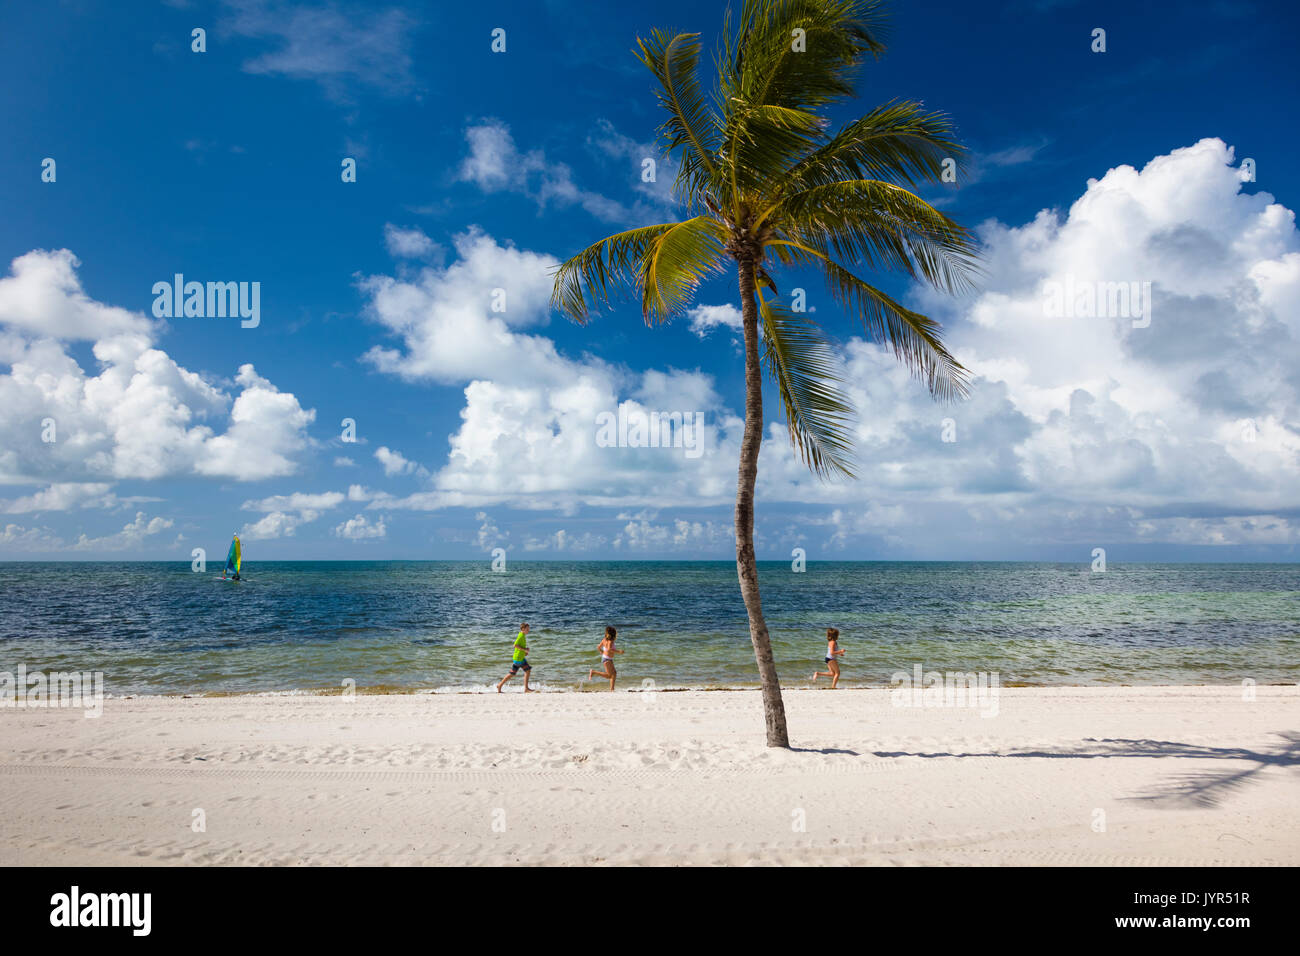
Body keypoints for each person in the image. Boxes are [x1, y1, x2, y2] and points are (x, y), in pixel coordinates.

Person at [497, 623, 535, 693]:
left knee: (513, 673)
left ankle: (500, 685)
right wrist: (524, 650)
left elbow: (519, 647)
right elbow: (515, 645)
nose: (528, 630)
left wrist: (525, 651)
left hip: (519, 658)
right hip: (519, 659)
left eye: (529, 629)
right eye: (527, 629)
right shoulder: (520, 636)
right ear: (523, 629)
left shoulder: (523, 635)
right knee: (527, 670)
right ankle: (526, 688)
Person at [585, 625, 622, 690]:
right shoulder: (611, 641)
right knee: (609, 675)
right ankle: (593, 672)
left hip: (607, 658)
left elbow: (598, 647)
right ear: (613, 634)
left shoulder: (604, 640)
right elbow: (609, 649)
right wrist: (619, 651)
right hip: (607, 659)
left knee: (614, 674)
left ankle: (612, 689)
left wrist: (602, 652)